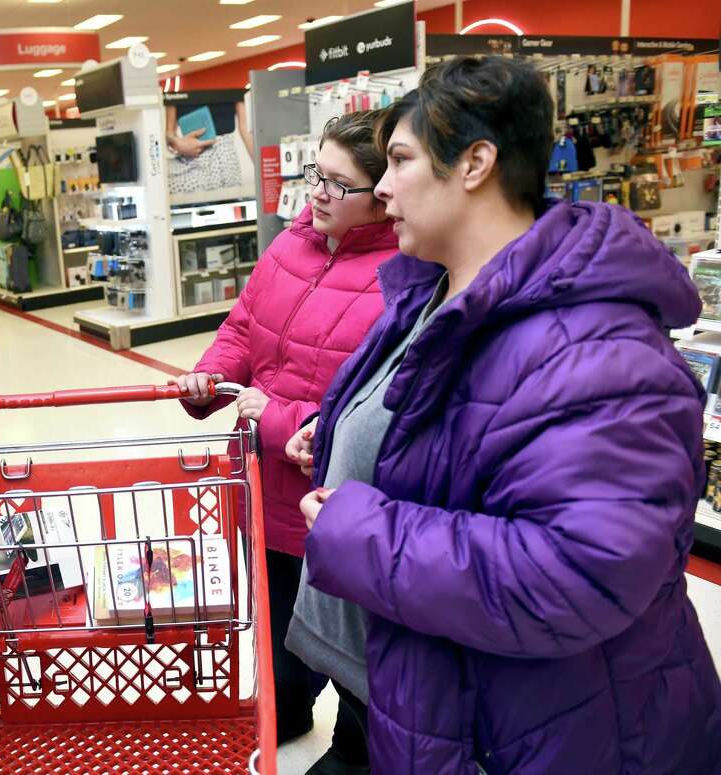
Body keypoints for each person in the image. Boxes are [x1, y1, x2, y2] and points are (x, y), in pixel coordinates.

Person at [289, 55, 721, 773]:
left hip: (550, 728)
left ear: (476, 163)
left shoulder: (599, 351)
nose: (383, 186)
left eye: (399, 160)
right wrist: (340, 435)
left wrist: (362, 531)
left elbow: (583, 572)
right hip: (430, 690)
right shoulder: (429, 292)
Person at [174, 111, 396, 769]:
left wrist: (271, 416)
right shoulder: (291, 241)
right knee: (272, 616)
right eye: (314, 175)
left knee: (339, 631)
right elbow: (243, 326)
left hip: (329, 496)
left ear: (383, 193)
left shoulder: (403, 274)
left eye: (338, 183)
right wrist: (209, 376)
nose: (317, 194)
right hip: (263, 485)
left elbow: (370, 405)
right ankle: (286, 709)